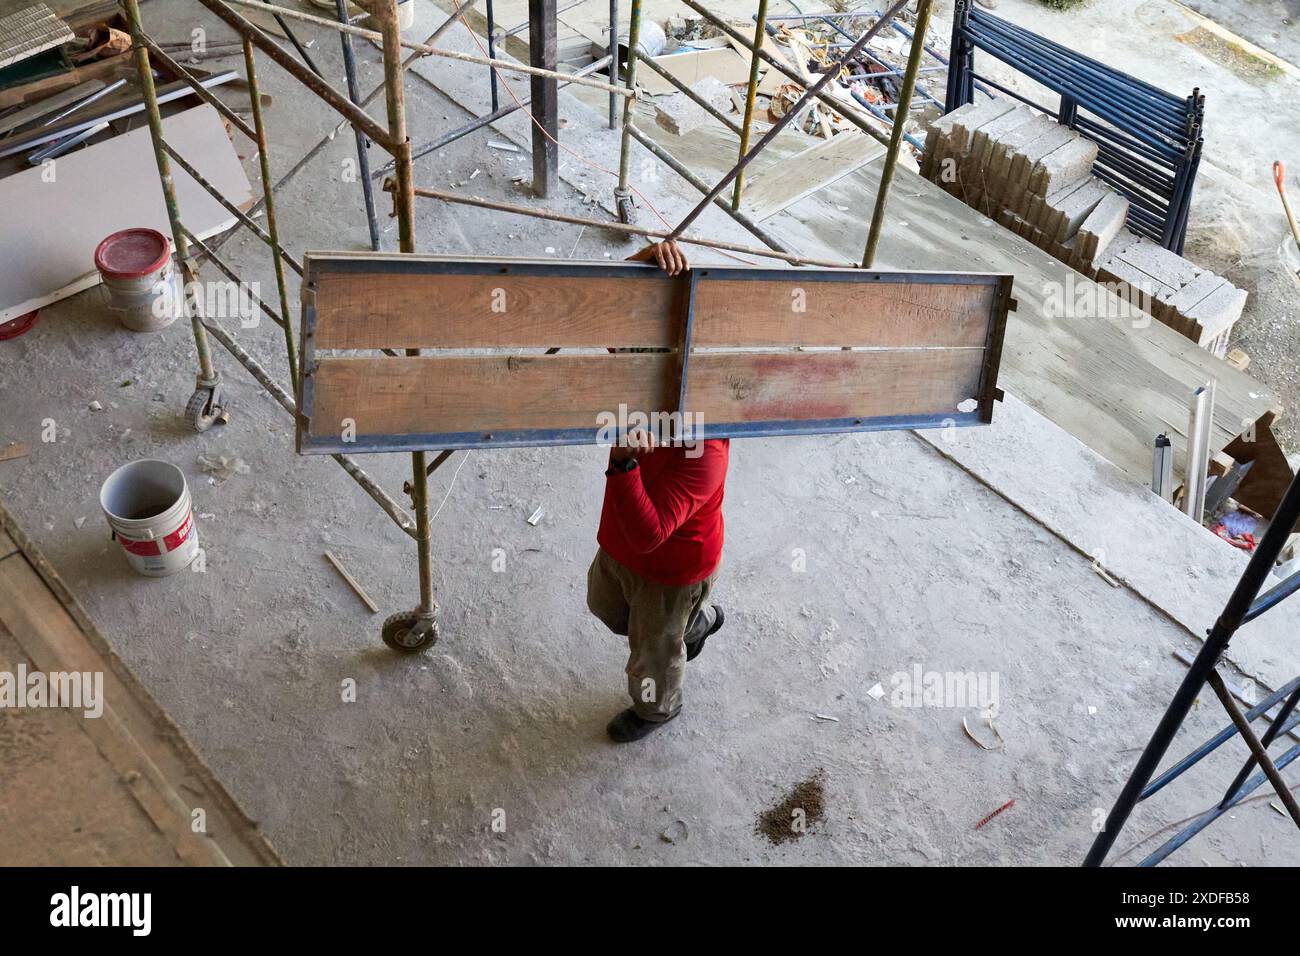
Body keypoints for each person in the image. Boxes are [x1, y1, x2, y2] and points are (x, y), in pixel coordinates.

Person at [586, 240, 729, 743]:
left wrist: (624, 461)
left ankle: (657, 711)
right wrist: (646, 258)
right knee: (605, 607)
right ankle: (692, 628)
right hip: (619, 540)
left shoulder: (705, 450)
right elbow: (602, 311)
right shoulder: (642, 376)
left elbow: (650, 536)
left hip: (670, 568)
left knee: (652, 658)